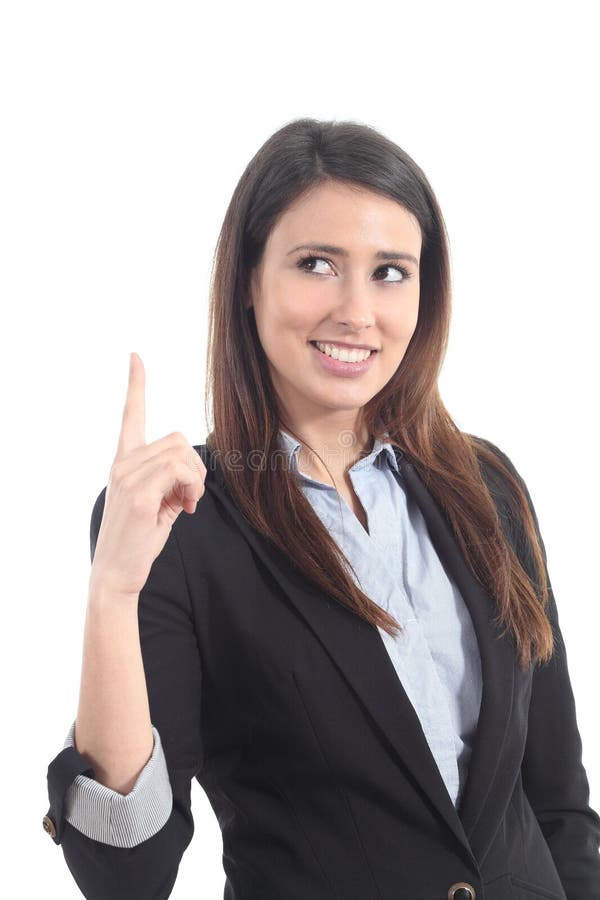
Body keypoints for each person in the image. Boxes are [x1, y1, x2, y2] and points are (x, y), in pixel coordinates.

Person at [43, 118, 600, 900]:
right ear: (248, 279)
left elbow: (559, 804)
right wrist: (112, 593)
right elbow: (128, 874)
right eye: (316, 265)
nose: (356, 312)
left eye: (389, 272)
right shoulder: (178, 518)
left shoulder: (488, 486)